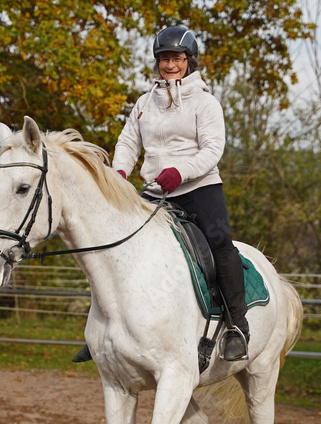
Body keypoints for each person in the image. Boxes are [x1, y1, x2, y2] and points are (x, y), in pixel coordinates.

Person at [74, 25, 249, 362]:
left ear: (189, 61)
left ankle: (236, 326)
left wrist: (180, 172)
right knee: (118, 249)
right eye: (164, 58)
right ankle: (107, 330)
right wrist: (119, 173)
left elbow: (213, 149)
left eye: (177, 58)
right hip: (156, 190)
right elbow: (128, 142)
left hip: (199, 187)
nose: (170, 64)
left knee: (219, 242)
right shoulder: (144, 103)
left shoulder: (206, 103)